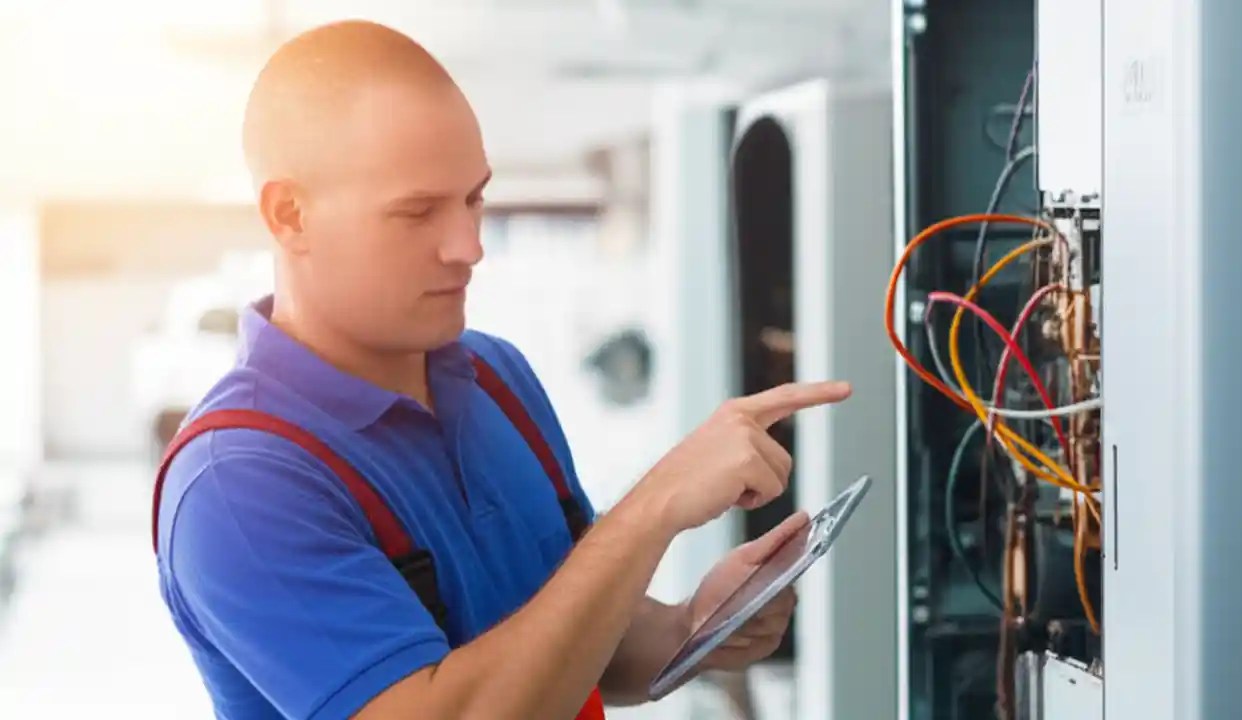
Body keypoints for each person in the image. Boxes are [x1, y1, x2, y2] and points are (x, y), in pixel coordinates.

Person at [152, 19, 852, 720]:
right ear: (290, 214)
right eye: (418, 212)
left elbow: (583, 647)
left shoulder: (496, 377)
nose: (467, 246)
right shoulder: (238, 481)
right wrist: (654, 508)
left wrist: (690, 627)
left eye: (473, 198)